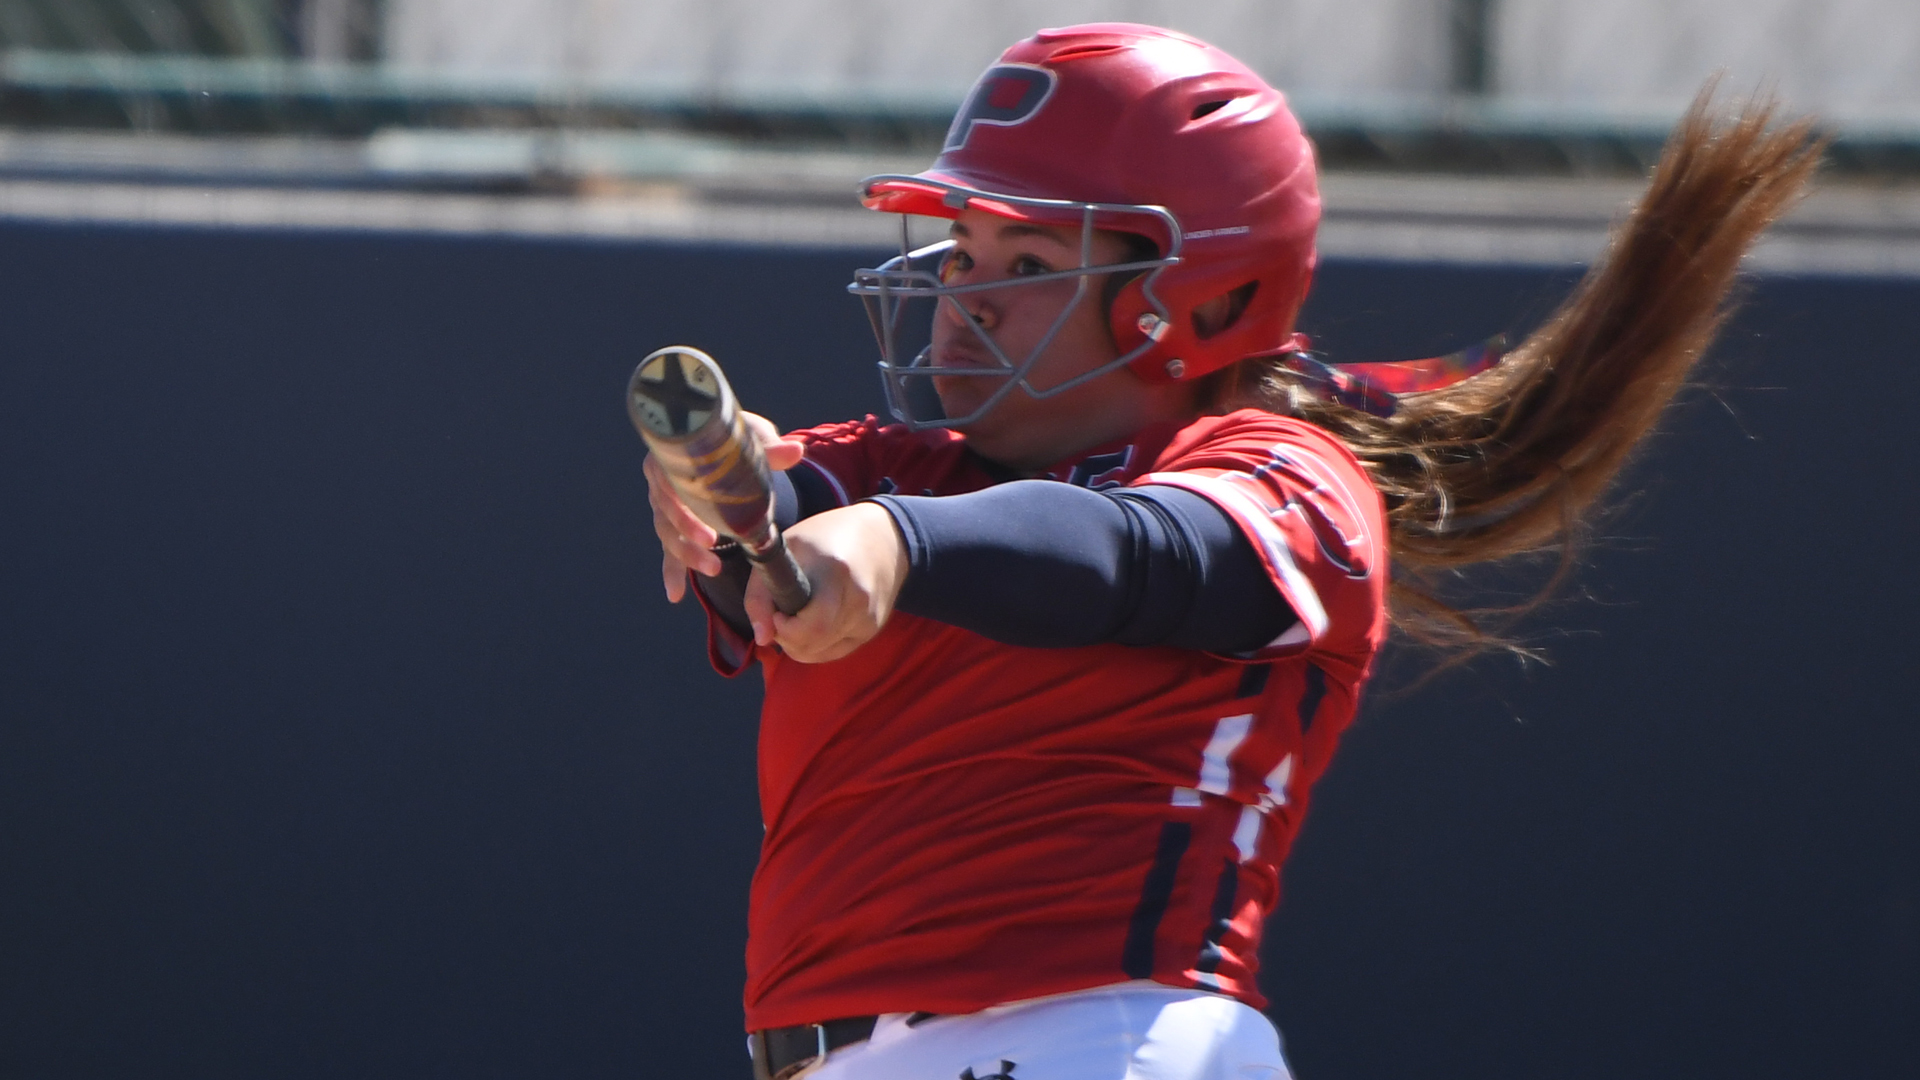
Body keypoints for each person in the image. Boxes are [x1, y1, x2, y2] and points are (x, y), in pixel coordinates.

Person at [644, 23, 1818, 1080]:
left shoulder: (1288, 475)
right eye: (963, 253)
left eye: (1033, 264)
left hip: (1088, 1044)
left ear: (1195, 305)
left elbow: (1127, 553)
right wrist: (730, 488)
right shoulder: (892, 463)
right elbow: (777, 527)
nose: (965, 295)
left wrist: (894, 547)